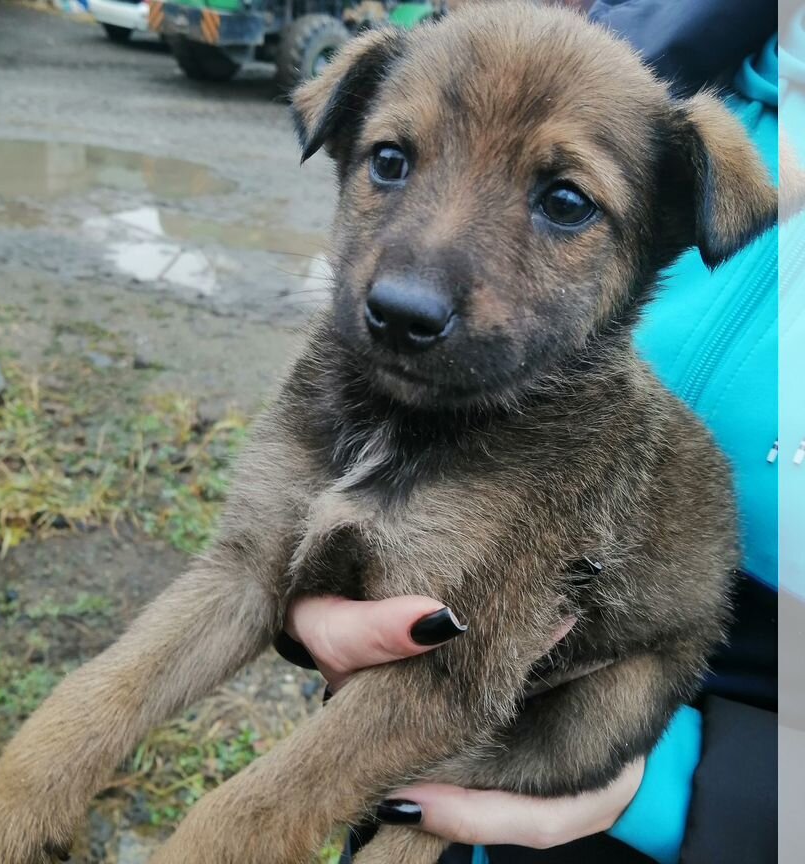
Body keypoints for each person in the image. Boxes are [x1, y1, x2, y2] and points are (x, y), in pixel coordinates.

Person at [277, 2, 783, 861]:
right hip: (408, 727)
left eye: (564, 203)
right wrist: (311, 579)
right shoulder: (606, 55)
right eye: (394, 162)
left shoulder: (680, 152)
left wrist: (665, 776)